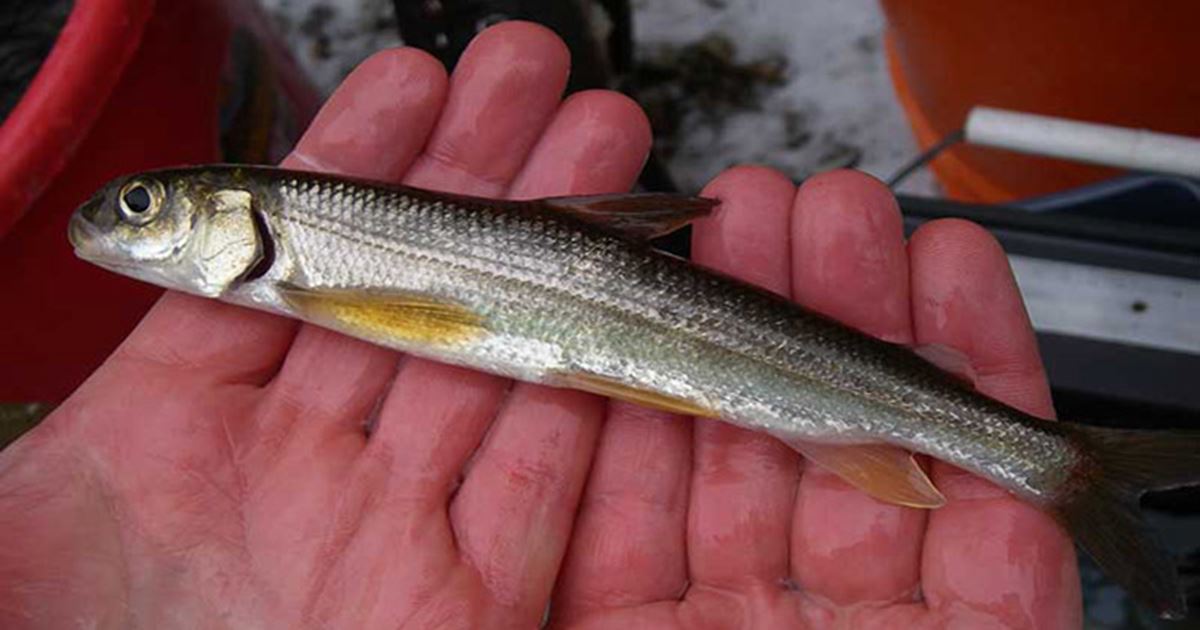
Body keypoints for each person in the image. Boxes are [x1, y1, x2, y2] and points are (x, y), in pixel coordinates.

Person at [0, 22, 1081, 629]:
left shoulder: (309, 266)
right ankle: (1031, 458)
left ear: (238, 219)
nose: (119, 224)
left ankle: (1052, 464)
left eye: (147, 211)